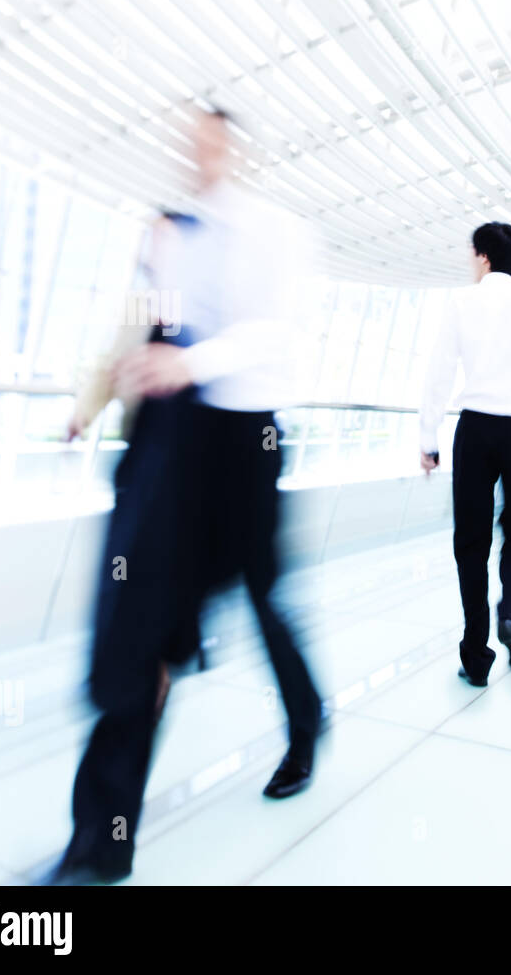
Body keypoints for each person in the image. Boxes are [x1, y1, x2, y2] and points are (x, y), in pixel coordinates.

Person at [48, 109, 323, 884]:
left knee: (265, 599)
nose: (197, 152)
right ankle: (101, 840)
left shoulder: (270, 231)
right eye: (190, 141)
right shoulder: (170, 236)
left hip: (245, 448)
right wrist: (87, 405)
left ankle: (305, 724)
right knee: (140, 639)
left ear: (235, 150)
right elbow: (129, 340)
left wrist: (190, 362)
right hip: (174, 452)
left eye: (212, 140)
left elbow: (274, 333)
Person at [421, 222, 511, 688]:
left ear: (483, 256)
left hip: (477, 425)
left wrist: (428, 439)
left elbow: (440, 371)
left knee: (472, 543)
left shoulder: (463, 301)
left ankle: (476, 657)